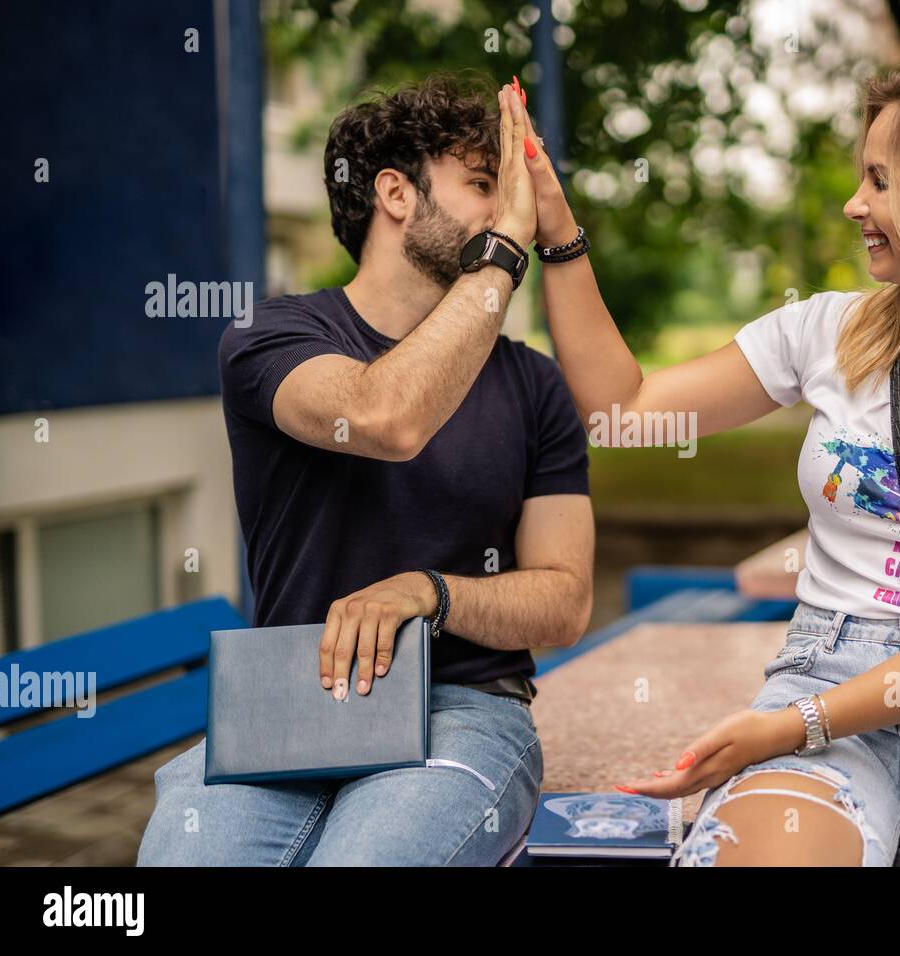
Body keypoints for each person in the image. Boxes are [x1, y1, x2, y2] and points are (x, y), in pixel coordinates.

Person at [519, 55, 900, 866]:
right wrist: (560, 237)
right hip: (825, 666)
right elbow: (622, 414)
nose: (856, 204)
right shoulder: (827, 331)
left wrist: (785, 728)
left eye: (882, 181)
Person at [138, 75, 593, 866]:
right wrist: (507, 248)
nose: (504, 211)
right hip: (289, 706)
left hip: (465, 708)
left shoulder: (534, 385)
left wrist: (434, 593)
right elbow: (386, 417)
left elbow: (564, 603)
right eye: (484, 186)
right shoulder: (271, 335)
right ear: (394, 193)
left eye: (506, 194)